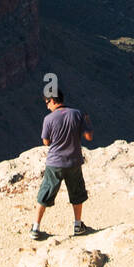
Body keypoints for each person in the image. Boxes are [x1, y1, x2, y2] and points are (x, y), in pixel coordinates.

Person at [31, 89, 93, 240]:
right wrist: (87, 120)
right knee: (77, 193)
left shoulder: (49, 119)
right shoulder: (77, 114)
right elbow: (89, 136)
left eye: (47, 103)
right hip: (73, 162)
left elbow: (46, 142)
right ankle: (78, 226)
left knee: (45, 193)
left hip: (55, 163)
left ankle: (35, 228)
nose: (47, 106)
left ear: (52, 100)